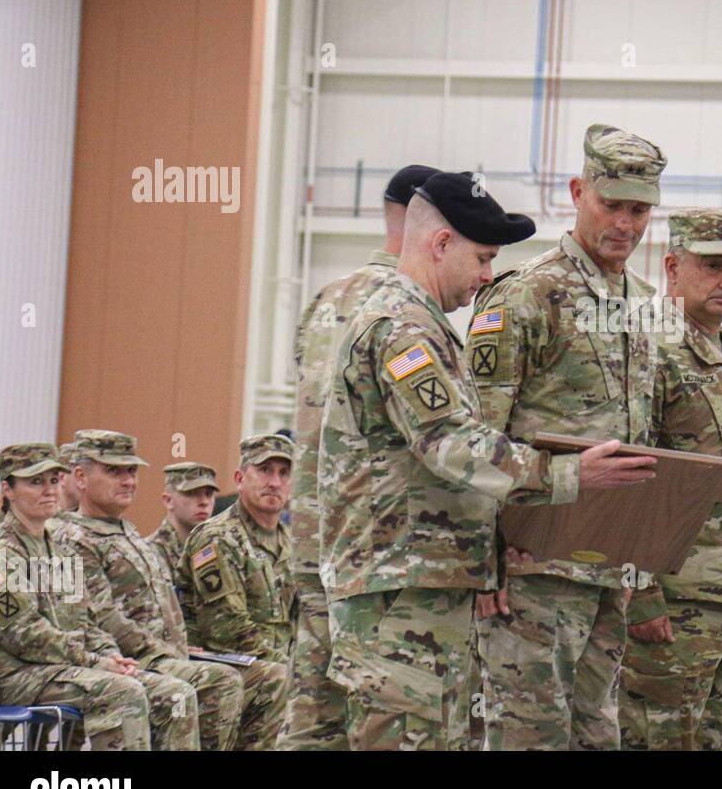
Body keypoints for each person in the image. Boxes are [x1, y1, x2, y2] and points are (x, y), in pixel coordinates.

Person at [319, 170, 656, 751]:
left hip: (426, 582)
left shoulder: (426, 326)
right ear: (441, 243)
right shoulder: (401, 328)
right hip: (397, 588)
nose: (485, 277)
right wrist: (571, 474)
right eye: (481, 258)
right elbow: (450, 442)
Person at [470, 123, 666, 751]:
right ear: (579, 191)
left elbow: (643, 433)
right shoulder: (526, 295)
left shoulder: (642, 300)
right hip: (533, 564)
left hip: (609, 563)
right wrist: (484, 560)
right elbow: (477, 438)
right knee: (528, 736)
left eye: (640, 210)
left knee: (596, 735)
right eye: (612, 205)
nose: (626, 224)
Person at [279, 164, 439, 751]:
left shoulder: (327, 300)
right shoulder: (408, 309)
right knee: (382, 714)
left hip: (312, 531)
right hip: (375, 546)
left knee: (313, 707)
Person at [619, 210, 722, 751]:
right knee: (655, 737)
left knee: (716, 739)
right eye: (712, 265)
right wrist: (639, 592)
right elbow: (628, 477)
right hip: (672, 597)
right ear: (672, 267)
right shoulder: (648, 350)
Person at [55, 429, 241, 751]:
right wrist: (161, 652)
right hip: (125, 661)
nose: (128, 480)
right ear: (81, 477)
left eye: (132, 471)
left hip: (160, 656)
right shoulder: (74, 538)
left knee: (244, 678)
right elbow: (102, 617)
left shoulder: (126, 531)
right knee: (208, 685)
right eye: (114, 471)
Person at [0, 443, 151, 750]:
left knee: (159, 688)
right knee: (121, 692)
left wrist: (110, 655)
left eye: (54, 480)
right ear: (8, 489)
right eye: (35, 482)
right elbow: (25, 636)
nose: (49, 490)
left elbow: (85, 622)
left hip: (58, 668)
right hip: (10, 676)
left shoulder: (61, 553)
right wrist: (94, 661)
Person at [179, 433, 296, 749]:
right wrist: (294, 668)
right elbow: (226, 629)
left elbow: (305, 618)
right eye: (264, 470)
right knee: (283, 680)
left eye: (283, 473)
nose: (274, 482)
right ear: (240, 478)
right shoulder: (218, 538)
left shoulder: (292, 543)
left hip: (274, 662)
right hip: (221, 662)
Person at [149, 462, 219, 586]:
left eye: (208, 494)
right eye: (192, 493)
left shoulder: (218, 547)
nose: (204, 502)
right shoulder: (150, 555)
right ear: (168, 500)